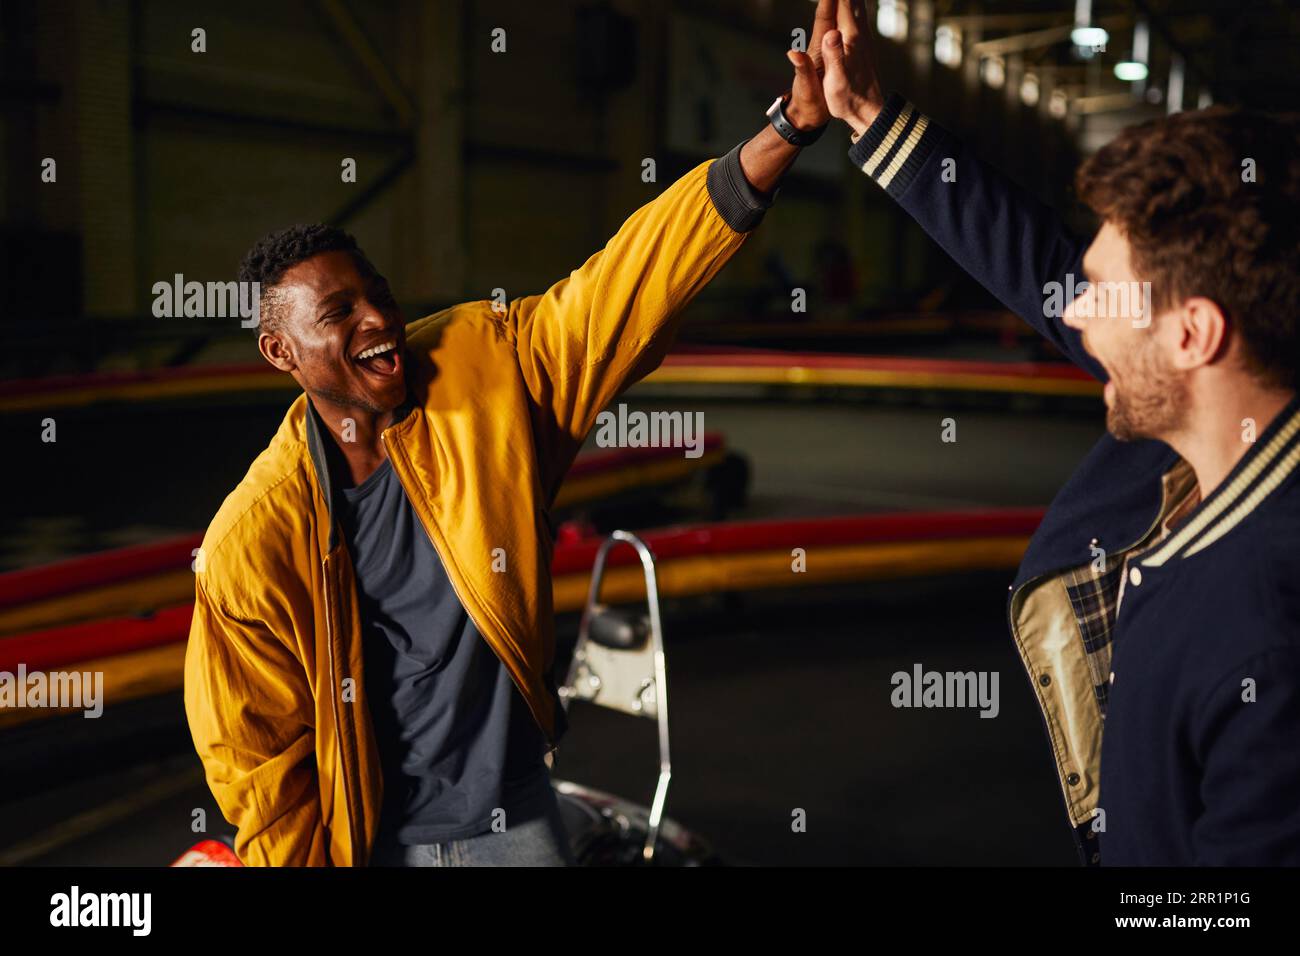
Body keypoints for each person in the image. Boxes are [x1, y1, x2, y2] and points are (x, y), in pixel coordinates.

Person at [182, 8, 837, 866]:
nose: (380, 317)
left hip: (517, 817)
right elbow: (256, 764)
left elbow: (626, 284)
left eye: (376, 291)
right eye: (339, 313)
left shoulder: (485, 367)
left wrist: (783, 133)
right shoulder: (252, 540)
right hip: (378, 844)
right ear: (280, 352)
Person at [813, 0, 1300, 864]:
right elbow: (1032, 260)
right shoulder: (1215, 421)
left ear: (1195, 333)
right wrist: (869, 118)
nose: (1074, 310)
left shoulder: (1261, 638)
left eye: (1104, 293)